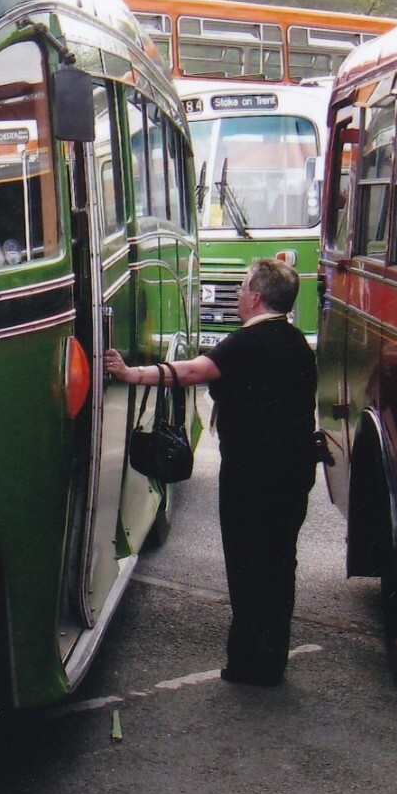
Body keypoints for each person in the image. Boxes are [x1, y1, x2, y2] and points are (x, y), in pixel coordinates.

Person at [104, 258, 317, 686]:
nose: (238, 295)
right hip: (294, 471)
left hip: (251, 474)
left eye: (241, 289)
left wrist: (130, 373)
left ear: (256, 298)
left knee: (246, 562)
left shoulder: (245, 342)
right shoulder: (298, 344)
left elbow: (191, 372)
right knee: (279, 562)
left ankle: (249, 664)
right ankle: (272, 658)